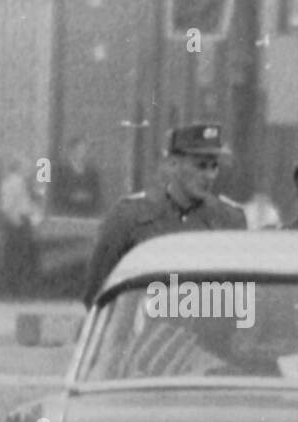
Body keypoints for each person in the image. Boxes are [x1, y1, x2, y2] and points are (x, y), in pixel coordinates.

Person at [81, 123, 246, 307]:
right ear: (173, 164)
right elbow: (97, 293)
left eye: (213, 166)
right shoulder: (130, 217)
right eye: (200, 166)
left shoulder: (229, 220)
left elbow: (240, 297)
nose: (209, 175)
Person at [0, 156, 44, 295]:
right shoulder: (10, 183)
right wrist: (16, 222)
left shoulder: (23, 183)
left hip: (24, 222)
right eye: (26, 167)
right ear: (19, 167)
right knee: (14, 257)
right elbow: (5, 207)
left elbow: (29, 203)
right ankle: (13, 289)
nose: (29, 170)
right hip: (16, 223)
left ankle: (20, 288)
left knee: (23, 257)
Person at [51, 136, 103, 216]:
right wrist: (72, 196)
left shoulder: (92, 172)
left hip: (87, 212)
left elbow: (97, 193)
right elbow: (56, 192)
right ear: (71, 150)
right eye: (78, 149)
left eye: (84, 149)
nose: (81, 152)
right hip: (66, 212)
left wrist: (87, 197)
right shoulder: (60, 170)